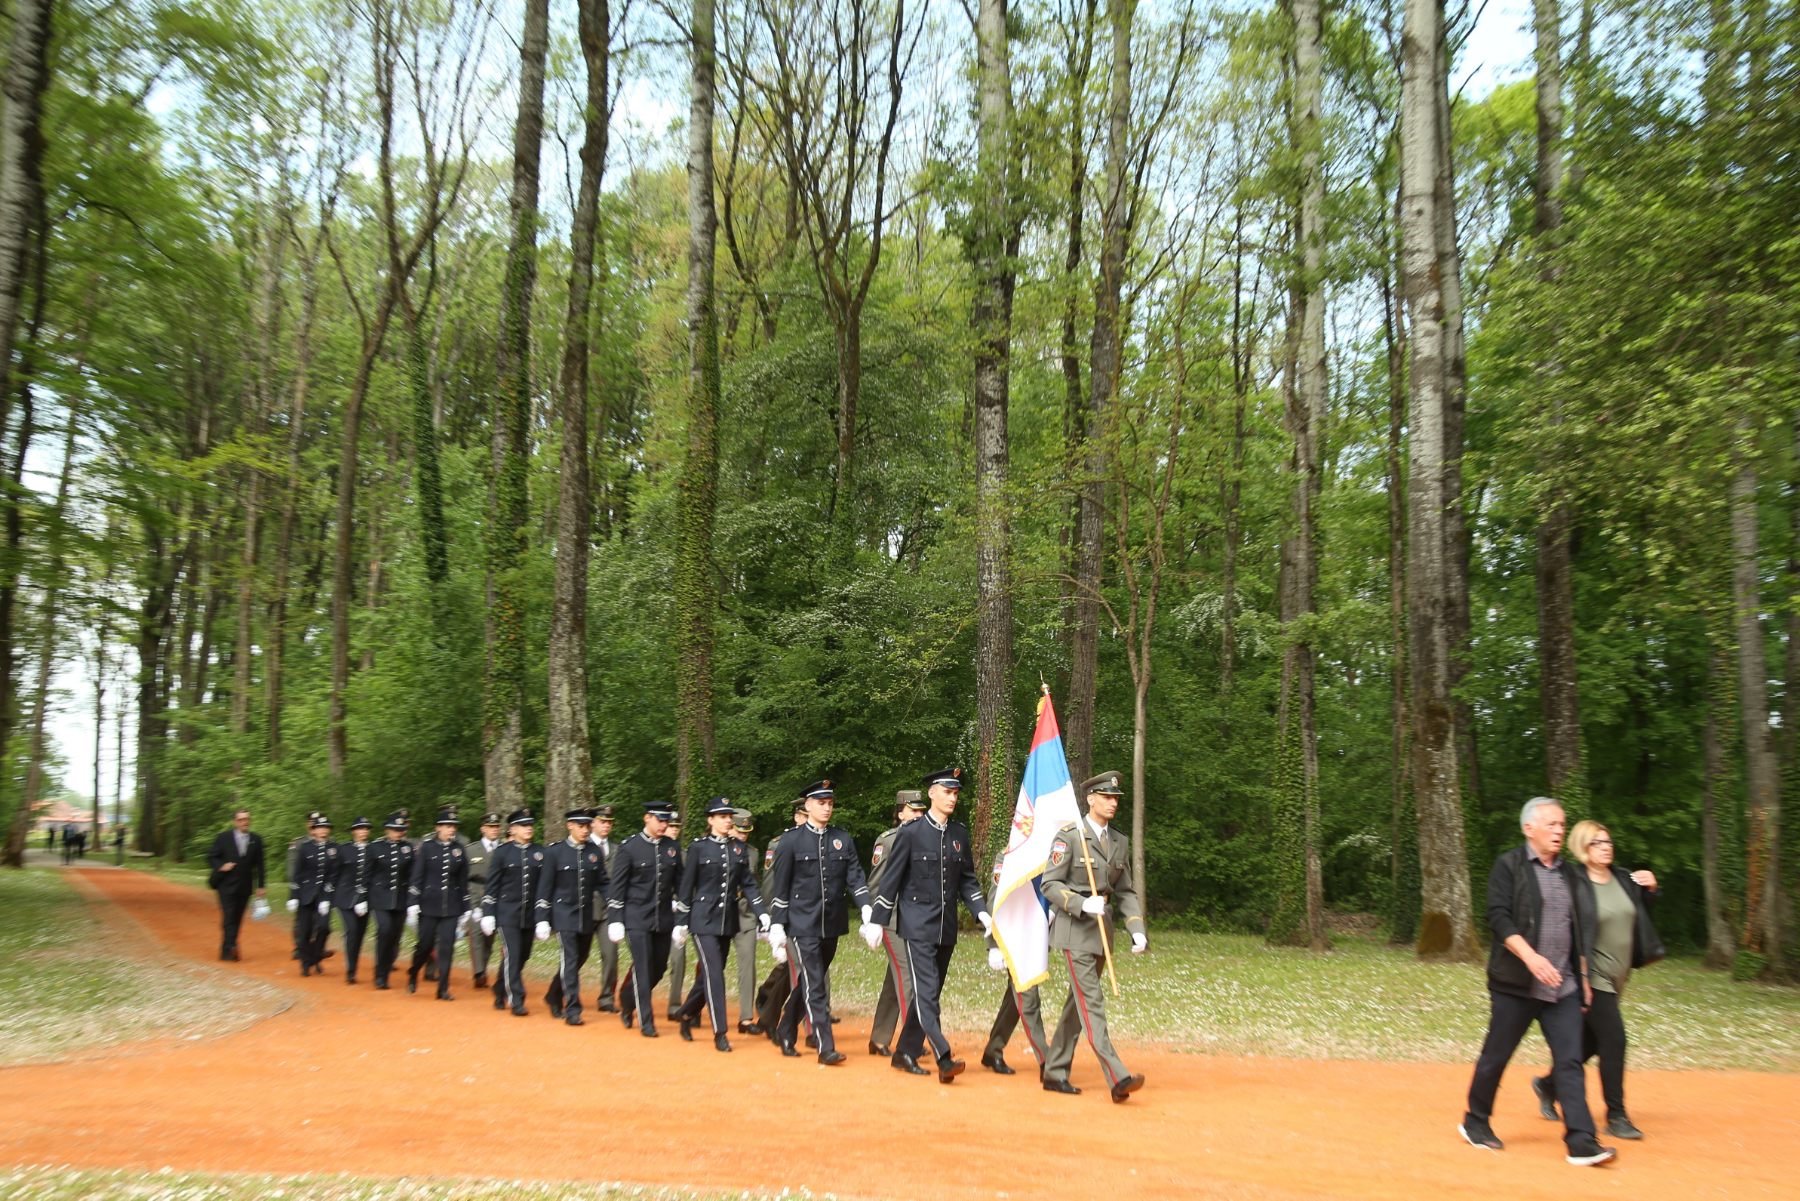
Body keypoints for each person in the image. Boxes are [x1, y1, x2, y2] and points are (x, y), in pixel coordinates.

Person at [1460, 796, 1617, 1167]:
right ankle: (1476, 1120)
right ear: (1529, 828)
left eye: (1562, 825)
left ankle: (1581, 1141)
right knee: (1496, 1056)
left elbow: (1578, 929)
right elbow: (1498, 917)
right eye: (1551, 824)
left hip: (1562, 986)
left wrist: (1583, 976)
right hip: (1515, 985)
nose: (1559, 831)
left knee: (1570, 1061)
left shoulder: (1570, 874)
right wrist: (1530, 958)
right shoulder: (1509, 865)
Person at [1532, 820, 1661, 1141]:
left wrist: (1652, 888)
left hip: (1619, 975)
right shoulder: (1574, 882)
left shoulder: (1623, 878)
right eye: (1597, 843)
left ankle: (1548, 1084)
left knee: (1591, 1041)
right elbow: (1564, 927)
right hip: (1591, 976)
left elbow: (1638, 912)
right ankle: (1616, 1116)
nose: (1606, 847)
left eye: (1608, 842)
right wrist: (1580, 976)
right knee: (1615, 1040)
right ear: (1582, 848)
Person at [871, 767, 992, 1083]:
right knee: (926, 993)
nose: (952, 798)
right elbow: (890, 881)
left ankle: (904, 1053)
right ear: (932, 793)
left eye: (956, 792)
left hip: (945, 927)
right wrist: (877, 921)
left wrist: (982, 913)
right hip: (916, 926)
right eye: (947, 792)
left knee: (930, 993)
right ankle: (943, 1056)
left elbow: (967, 881)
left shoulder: (959, 834)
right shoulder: (910, 833)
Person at [1039, 771, 1147, 1101]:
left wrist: (1137, 930)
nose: (1113, 803)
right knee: (1092, 1002)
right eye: (1106, 797)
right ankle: (1117, 1076)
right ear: (1090, 799)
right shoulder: (1070, 836)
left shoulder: (1119, 841)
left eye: (1116, 798)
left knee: (1078, 1004)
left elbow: (1125, 890)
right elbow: (1049, 884)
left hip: (1102, 933)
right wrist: (1082, 903)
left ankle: (1054, 1070)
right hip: (1075, 930)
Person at [771, 778, 874, 1066]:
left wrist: (867, 908)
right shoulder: (790, 841)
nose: (827, 808)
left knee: (809, 980)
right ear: (807, 805)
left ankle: (785, 1028)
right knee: (816, 984)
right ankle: (824, 1046)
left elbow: (855, 877)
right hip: (802, 922)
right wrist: (777, 925)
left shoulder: (841, 838)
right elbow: (781, 887)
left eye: (830, 803)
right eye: (821, 803)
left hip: (832, 922)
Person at [673, 797, 770, 1051]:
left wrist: (762, 913)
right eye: (723, 816)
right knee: (715, 973)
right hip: (702, 920)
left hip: (727, 921)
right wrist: (681, 922)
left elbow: (749, 884)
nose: (728, 821)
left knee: (709, 975)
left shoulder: (738, 849)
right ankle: (720, 1032)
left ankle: (686, 1013)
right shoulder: (699, 847)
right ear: (711, 820)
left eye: (729, 816)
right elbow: (686, 887)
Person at [608, 802, 682, 1037]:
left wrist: (682, 914)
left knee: (658, 968)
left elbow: (680, 884)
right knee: (643, 967)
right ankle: (646, 1021)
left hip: (663, 918)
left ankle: (627, 999)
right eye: (660, 820)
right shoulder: (629, 847)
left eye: (666, 821)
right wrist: (615, 919)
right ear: (647, 818)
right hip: (636, 918)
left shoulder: (672, 847)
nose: (664, 825)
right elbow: (617, 887)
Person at [538, 807, 608, 1025]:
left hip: (585, 914)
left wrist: (615, 902)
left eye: (588, 826)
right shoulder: (555, 852)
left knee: (580, 957)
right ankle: (573, 1009)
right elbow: (545, 887)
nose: (585, 830)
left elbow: (602, 882)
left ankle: (553, 994)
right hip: (563, 913)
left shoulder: (594, 851)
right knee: (570, 959)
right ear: (570, 826)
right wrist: (542, 917)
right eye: (581, 826)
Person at [867, 789, 924, 1056]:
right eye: (913, 811)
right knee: (908, 976)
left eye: (921, 810)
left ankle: (879, 1038)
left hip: (914, 919)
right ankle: (913, 1039)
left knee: (896, 979)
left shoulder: (925, 839)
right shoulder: (888, 841)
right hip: (891, 918)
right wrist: (874, 920)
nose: (919, 815)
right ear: (900, 813)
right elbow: (875, 884)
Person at [980, 848, 1046, 1077]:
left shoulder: (1045, 851)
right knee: (1028, 997)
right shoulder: (1009, 855)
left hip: (1036, 938)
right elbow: (995, 898)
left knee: (1015, 998)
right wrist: (994, 944)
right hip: (1013, 937)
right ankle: (1048, 1062)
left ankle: (993, 1050)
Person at [479, 808, 548, 1016]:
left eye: (530, 825)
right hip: (507, 913)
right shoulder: (503, 852)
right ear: (512, 829)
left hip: (530, 914)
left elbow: (544, 886)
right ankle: (516, 999)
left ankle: (500, 988)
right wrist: (488, 912)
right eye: (524, 825)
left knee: (522, 956)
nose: (529, 828)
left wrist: (543, 916)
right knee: (513, 953)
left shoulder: (540, 852)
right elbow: (492, 885)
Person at [752, 800, 810, 1035]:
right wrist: (769, 918)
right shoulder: (780, 843)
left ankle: (770, 1012)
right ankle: (802, 1027)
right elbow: (770, 883)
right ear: (797, 817)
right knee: (797, 969)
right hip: (788, 915)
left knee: (798, 969)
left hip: (812, 916)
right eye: (805, 815)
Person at [406, 809, 469, 1000]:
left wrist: (466, 908)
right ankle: (414, 971)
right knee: (425, 945)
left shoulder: (459, 849)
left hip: (451, 907)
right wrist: (413, 902)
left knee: (447, 947)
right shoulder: (427, 847)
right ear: (438, 828)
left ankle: (443, 988)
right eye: (448, 826)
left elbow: (462, 882)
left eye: (454, 826)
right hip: (429, 905)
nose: (452, 829)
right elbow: (417, 877)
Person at [206, 808, 266, 961]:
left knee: (237, 917)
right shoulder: (223, 838)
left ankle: (227, 949)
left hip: (245, 886)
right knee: (229, 915)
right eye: (241, 820)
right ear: (235, 822)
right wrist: (221, 866)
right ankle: (232, 946)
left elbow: (260, 865)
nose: (244, 822)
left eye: (246, 819)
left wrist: (261, 885)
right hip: (225, 885)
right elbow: (211, 856)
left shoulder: (256, 840)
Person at [368, 812, 416, 990]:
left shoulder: (408, 848)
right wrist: (363, 898)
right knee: (384, 930)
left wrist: (413, 899)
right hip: (379, 897)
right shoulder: (375, 847)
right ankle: (380, 974)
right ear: (387, 830)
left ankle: (386, 968)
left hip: (400, 898)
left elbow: (412, 875)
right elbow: (367, 873)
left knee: (394, 936)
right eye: (395, 829)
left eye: (401, 829)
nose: (399, 832)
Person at [289, 814, 338, 977]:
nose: (323, 830)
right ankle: (305, 963)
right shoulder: (305, 847)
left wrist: (327, 896)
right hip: (306, 894)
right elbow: (297, 873)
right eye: (319, 827)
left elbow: (334, 874)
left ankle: (316, 956)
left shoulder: (334, 848)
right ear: (314, 830)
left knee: (324, 928)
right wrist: (293, 895)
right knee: (304, 931)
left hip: (324, 896)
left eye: (326, 828)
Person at [728, 808, 762, 1033]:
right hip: (719, 912)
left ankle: (746, 1018)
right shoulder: (712, 848)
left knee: (748, 963)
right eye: (739, 831)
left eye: (746, 832)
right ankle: (694, 1008)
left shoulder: (753, 853)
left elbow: (754, 885)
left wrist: (763, 915)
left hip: (745, 913)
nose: (743, 835)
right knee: (711, 967)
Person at [333, 817, 375, 983]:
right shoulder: (343, 849)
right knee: (351, 930)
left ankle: (353, 964)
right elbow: (335, 873)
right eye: (360, 828)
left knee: (359, 934)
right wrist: (328, 896)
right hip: (345, 896)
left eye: (366, 828)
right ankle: (351, 970)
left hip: (365, 898)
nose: (363, 831)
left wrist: (365, 897)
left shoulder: (372, 850)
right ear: (353, 831)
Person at [464, 813, 502, 991]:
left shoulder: (504, 848)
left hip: (498, 896)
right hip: (476, 894)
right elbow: (464, 877)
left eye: (496, 827)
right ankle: (479, 972)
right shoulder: (471, 850)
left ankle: (484, 966)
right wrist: (468, 903)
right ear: (483, 829)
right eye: (491, 827)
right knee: (476, 934)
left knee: (489, 938)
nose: (494, 830)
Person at [591, 804, 621, 1012]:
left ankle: (606, 997)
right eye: (602, 821)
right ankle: (560, 992)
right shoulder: (583, 846)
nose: (606, 825)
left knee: (611, 955)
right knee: (577, 957)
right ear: (593, 823)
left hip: (608, 910)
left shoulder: (617, 849)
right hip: (584, 908)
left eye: (609, 822)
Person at [664, 817, 688, 1020]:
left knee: (678, 960)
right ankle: (631, 996)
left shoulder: (684, 854)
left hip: (677, 916)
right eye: (671, 826)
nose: (673, 830)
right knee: (650, 962)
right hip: (653, 915)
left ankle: (674, 1005)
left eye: (676, 827)